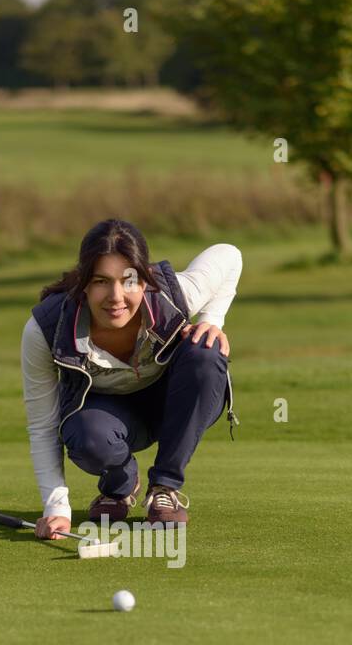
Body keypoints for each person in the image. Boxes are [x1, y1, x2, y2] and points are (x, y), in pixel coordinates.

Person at [20, 218, 242, 536]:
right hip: (106, 417)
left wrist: (211, 320)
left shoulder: (174, 296)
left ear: (146, 281)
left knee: (205, 353)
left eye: (129, 280)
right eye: (101, 281)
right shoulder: (46, 329)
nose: (116, 296)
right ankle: (121, 485)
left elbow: (229, 254)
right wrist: (57, 509)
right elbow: (43, 427)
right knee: (87, 435)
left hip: (173, 405)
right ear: (83, 283)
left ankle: (164, 489)